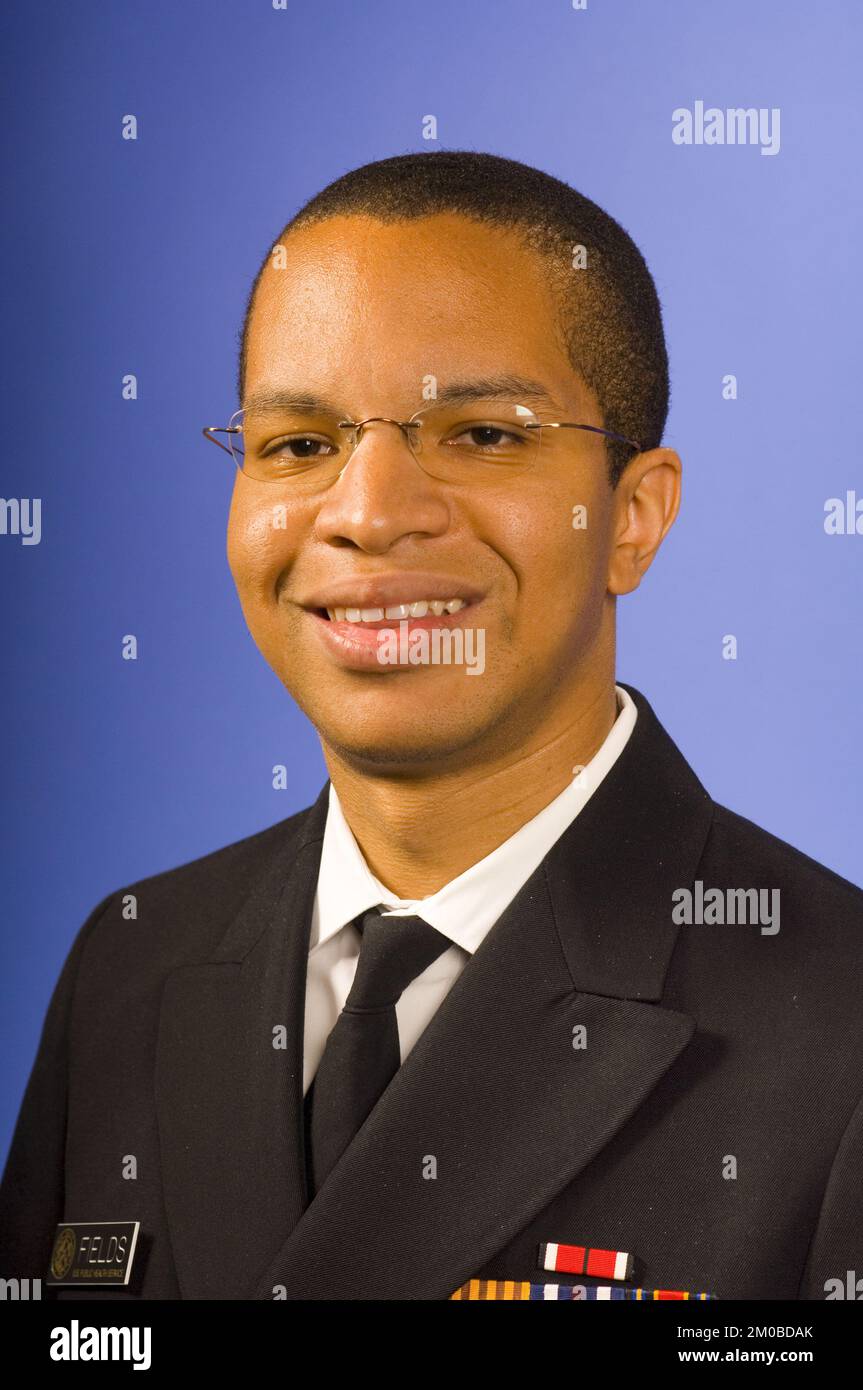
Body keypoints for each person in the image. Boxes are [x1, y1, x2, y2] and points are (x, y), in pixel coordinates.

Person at [1, 151, 861, 1302]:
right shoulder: (133, 961)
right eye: (299, 444)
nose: (367, 514)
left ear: (632, 517)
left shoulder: (837, 1025)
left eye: (482, 434)